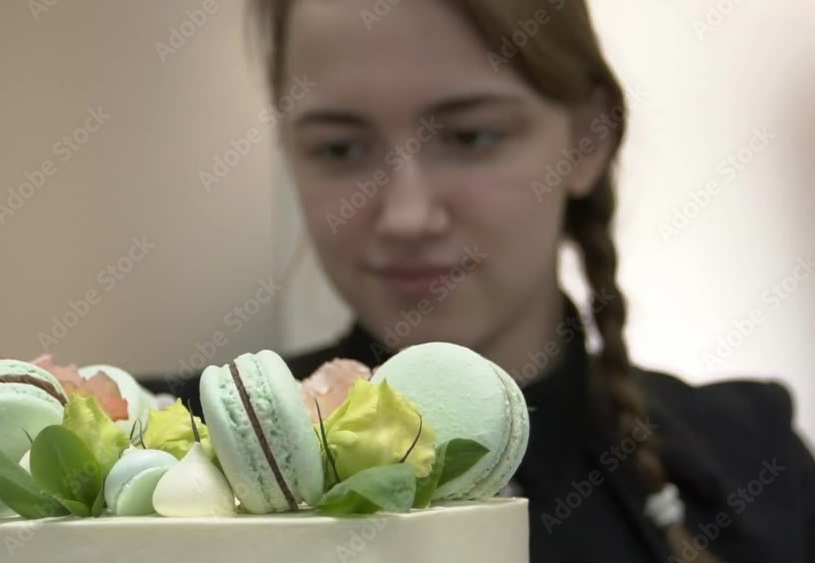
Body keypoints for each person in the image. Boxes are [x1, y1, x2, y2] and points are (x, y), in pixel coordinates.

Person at [142, 1, 814, 560]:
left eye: (469, 137)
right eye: (341, 148)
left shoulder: (753, 464)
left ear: (587, 139)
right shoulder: (163, 467)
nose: (406, 215)